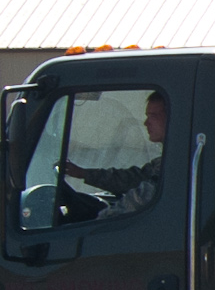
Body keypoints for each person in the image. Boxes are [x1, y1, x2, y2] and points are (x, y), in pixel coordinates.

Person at [64, 88, 167, 218]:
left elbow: (141, 199)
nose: (146, 123)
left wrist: (102, 221)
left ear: (172, 118)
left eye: (153, 116)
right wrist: (83, 173)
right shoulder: (164, 161)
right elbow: (133, 179)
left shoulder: (178, 162)